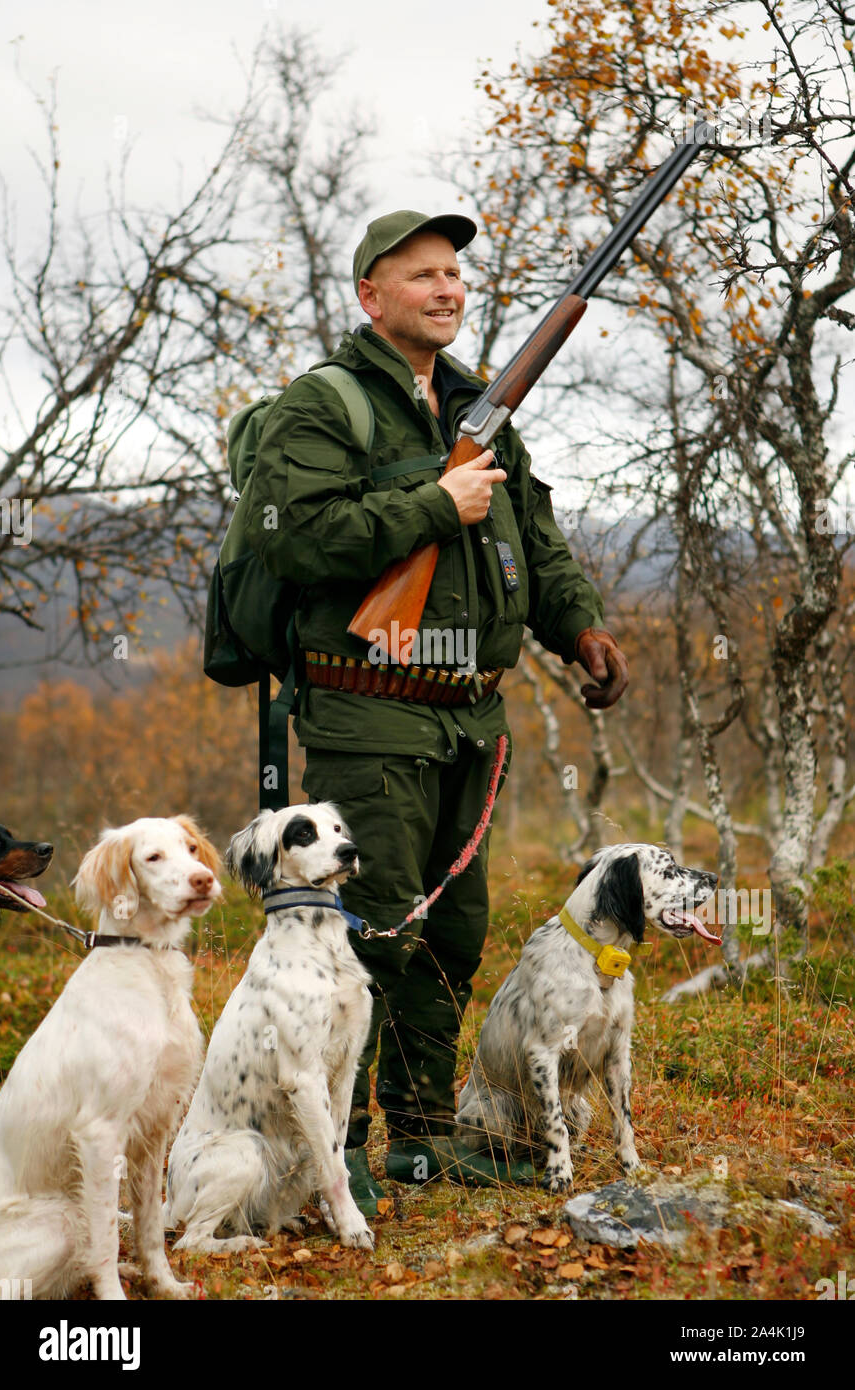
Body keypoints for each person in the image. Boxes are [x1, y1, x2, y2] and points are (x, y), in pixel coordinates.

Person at [244, 210, 629, 1213]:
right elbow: (300, 541)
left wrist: (577, 627)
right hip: (367, 713)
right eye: (421, 275)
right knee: (370, 938)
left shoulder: (480, 406)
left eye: (454, 273)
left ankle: (418, 1144)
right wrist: (430, 503)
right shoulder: (321, 408)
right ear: (371, 296)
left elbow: (533, 540)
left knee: (451, 938)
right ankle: (339, 1158)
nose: (446, 289)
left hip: (468, 718)